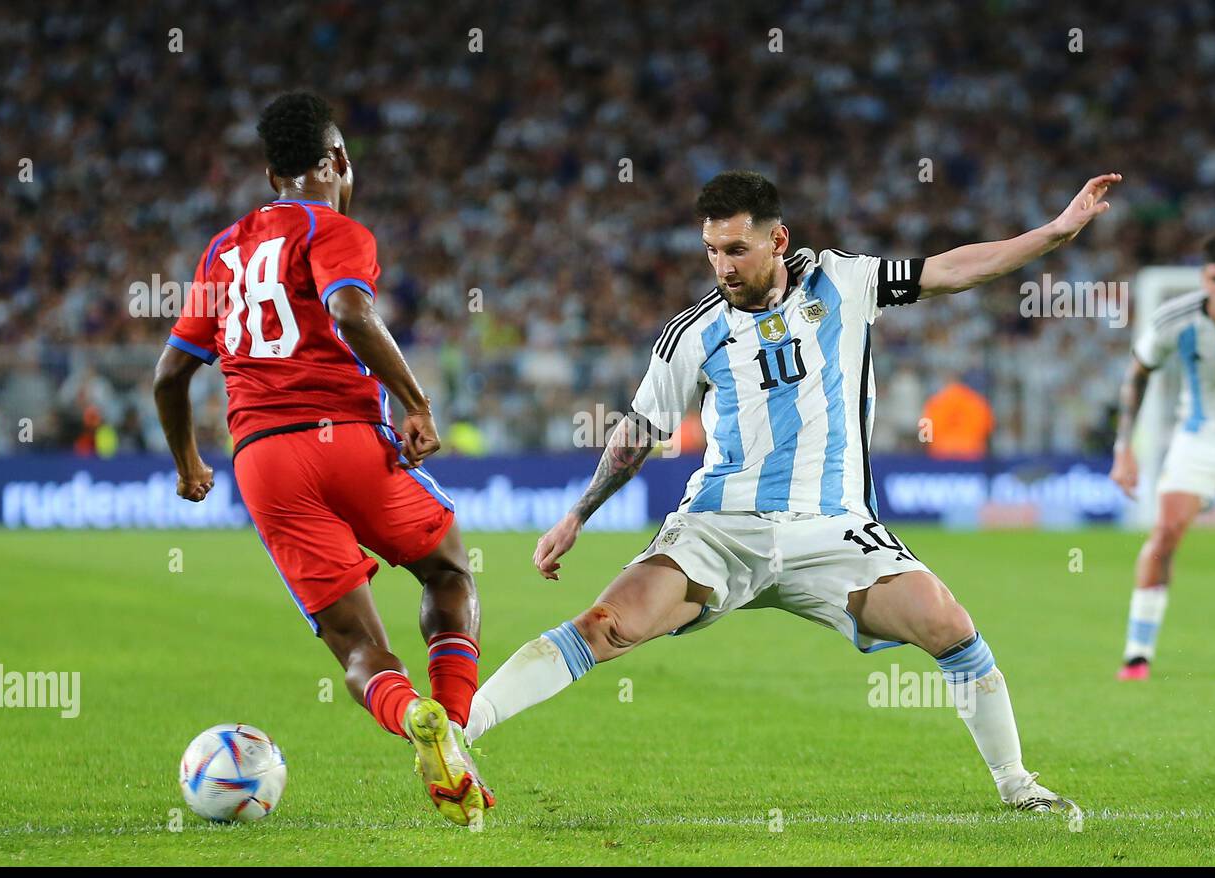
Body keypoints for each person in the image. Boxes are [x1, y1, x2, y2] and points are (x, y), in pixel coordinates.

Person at [466, 169, 1122, 816]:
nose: (721, 266)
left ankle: (1017, 784)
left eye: (736, 249)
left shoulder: (844, 280)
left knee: (948, 624)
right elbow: (640, 430)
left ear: (778, 240)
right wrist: (579, 513)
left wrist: (1056, 233)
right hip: (721, 527)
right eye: (711, 251)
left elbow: (953, 268)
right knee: (606, 628)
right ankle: (458, 736)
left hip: (833, 528)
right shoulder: (692, 335)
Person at [152, 91, 492, 826]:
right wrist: (416, 402)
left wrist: (187, 465)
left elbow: (170, 376)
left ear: (273, 173)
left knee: (357, 647)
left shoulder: (223, 249)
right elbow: (349, 311)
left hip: (266, 461)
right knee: (448, 570)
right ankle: (454, 728)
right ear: (337, 161)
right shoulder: (333, 227)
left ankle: (413, 721)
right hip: (349, 443)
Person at [1109, 233, 1215, 680]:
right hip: (1199, 438)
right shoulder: (1174, 320)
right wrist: (1124, 448)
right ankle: (1136, 656)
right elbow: (1137, 374)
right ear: (1204, 278)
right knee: (1164, 533)